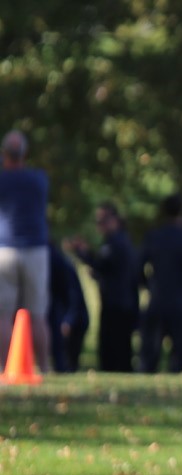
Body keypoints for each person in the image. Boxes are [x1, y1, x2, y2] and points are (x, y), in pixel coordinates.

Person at [0, 129, 52, 373]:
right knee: (37, 315)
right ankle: (44, 367)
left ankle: (4, 367)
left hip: (5, 250)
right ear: (24, 154)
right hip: (35, 250)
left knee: (3, 315)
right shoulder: (39, 179)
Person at [68, 202, 139, 372]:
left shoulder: (116, 242)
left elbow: (102, 265)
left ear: (115, 220)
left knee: (114, 348)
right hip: (120, 301)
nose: (100, 224)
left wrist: (83, 254)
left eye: (103, 219)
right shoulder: (119, 240)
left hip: (117, 303)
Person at [138, 194, 182, 373]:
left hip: (157, 298)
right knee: (179, 352)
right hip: (180, 300)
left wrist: (149, 285)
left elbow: (139, 266)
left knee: (150, 352)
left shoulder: (154, 236)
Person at [47, 241, 89, 373]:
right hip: (65, 316)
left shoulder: (60, 265)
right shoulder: (58, 260)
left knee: (68, 362)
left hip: (75, 320)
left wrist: (68, 321)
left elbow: (73, 297)